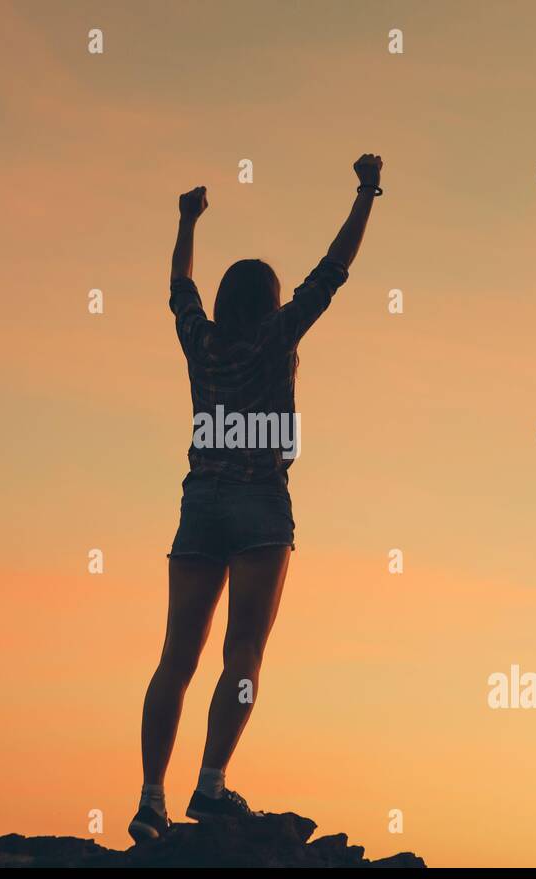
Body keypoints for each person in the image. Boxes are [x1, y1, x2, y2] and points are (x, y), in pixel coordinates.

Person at [129, 154, 384, 843]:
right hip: (262, 508)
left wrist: (186, 220)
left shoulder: (200, 339)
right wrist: (366, 191)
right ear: (272, 301)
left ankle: (151, 800)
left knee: (175, 658)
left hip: (200, 505)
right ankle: (210, 784)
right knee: (243, 652)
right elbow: (333, 270)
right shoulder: (279, 334)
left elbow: (178, 285)